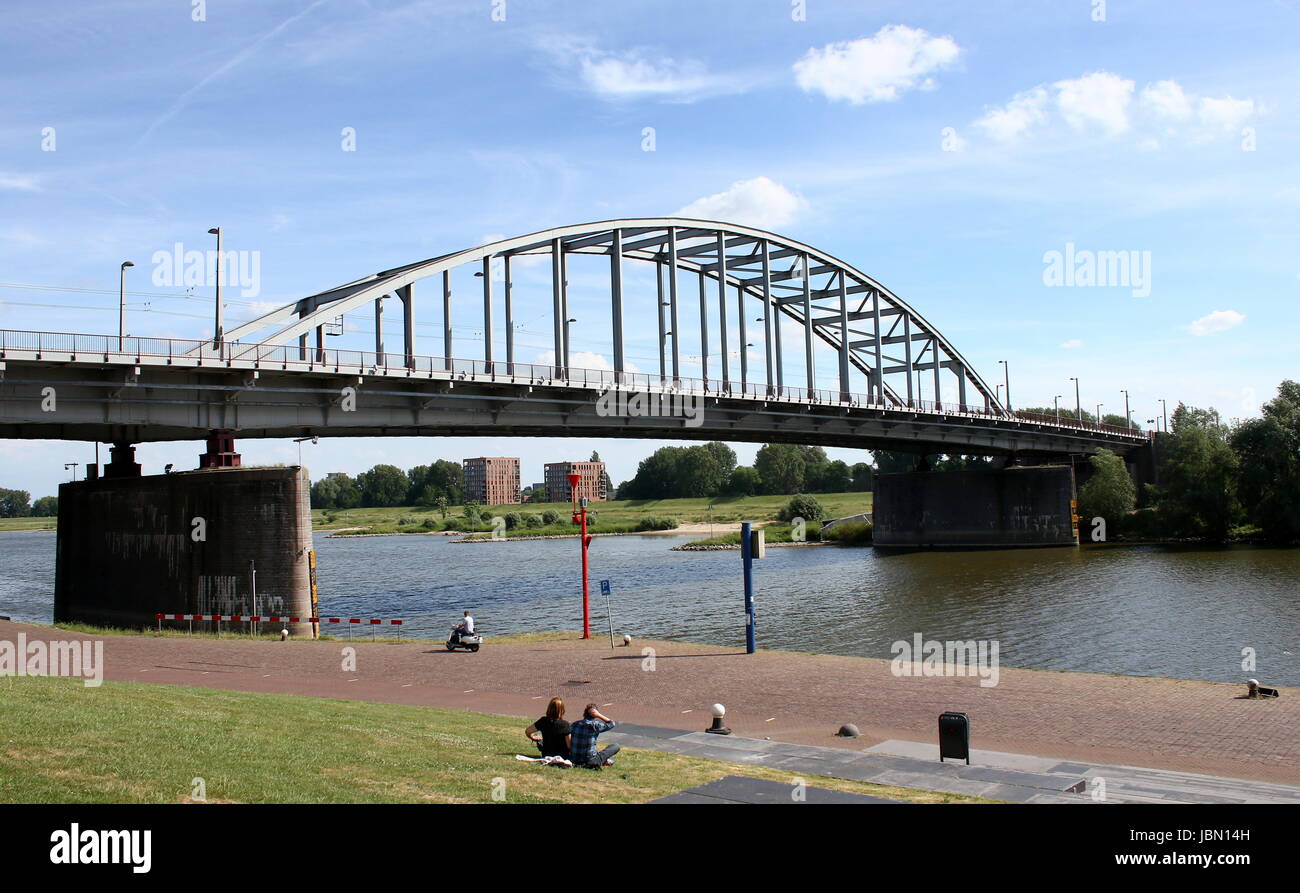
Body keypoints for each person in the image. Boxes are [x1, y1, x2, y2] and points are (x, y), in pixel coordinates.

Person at [569, 703, 620, 769]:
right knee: (616, 746)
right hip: (590, 761)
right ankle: (603, 761)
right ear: (595, 715)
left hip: (574, 759)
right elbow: (611, 723)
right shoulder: (594, 725)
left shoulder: (575, 724)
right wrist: (599, 715)